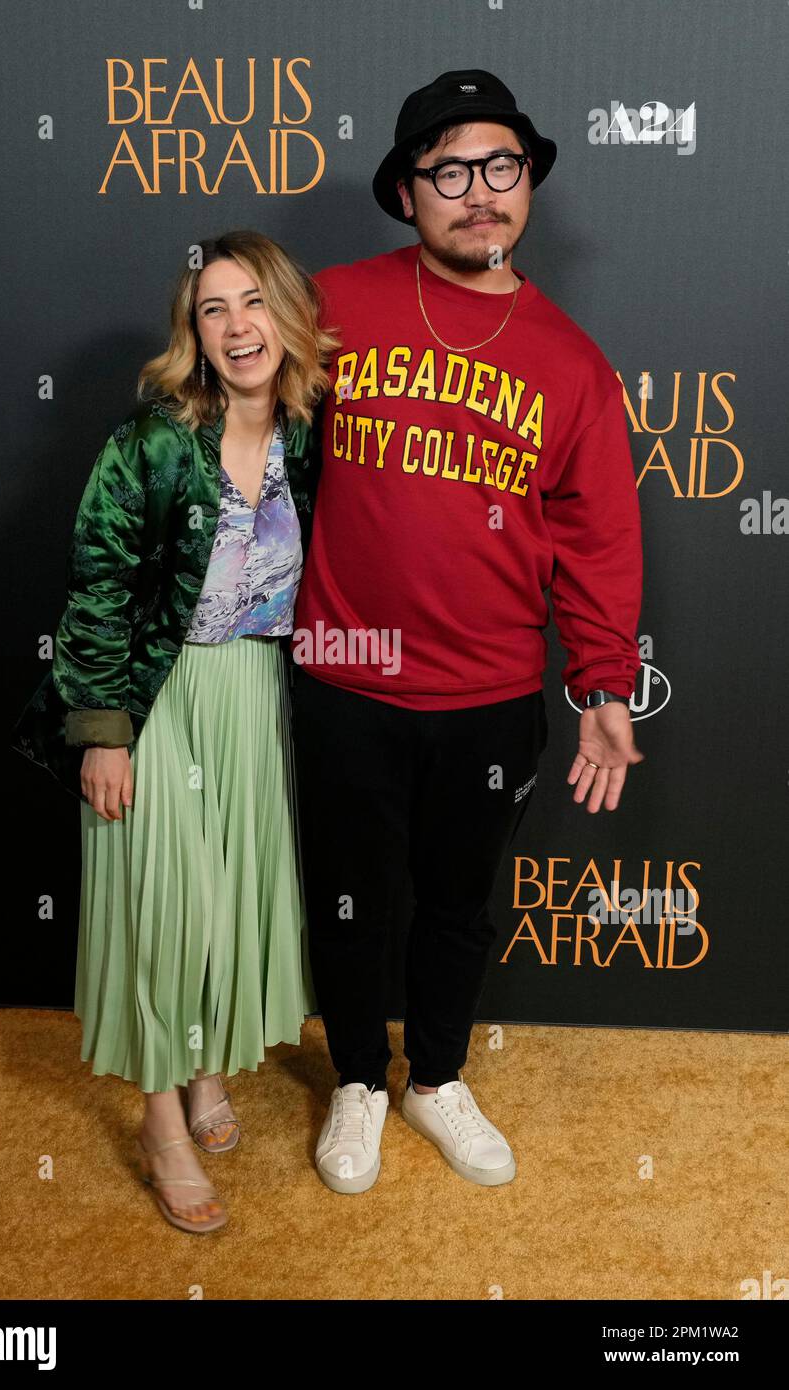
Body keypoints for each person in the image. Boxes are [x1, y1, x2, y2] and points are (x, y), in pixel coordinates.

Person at [287, 69, 645, 1193]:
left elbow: (595, 541)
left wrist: (601, 684)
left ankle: (434, 1077)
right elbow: (229, 433)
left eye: (499, 166)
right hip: (343, 671)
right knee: (346, 893)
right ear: (405, 192)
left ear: (527, 181)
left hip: (488, 688)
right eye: (447, 171)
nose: (476, 192)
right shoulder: (328, 303)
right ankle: (353, 1075)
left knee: (453, 903)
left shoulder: (571, 364)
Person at [11, 230, 337, 1233]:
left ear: (286, 317)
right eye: (212, 309)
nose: (237, 327)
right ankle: (160, 1120)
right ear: (191, 334)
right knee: (158, 906)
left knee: (226, 896)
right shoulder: (151, 441)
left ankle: (203, 1070)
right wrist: (102, 732)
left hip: (250, 691)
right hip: (155, 698)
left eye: (253, 304)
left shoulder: (308, 434)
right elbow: (98, 589)